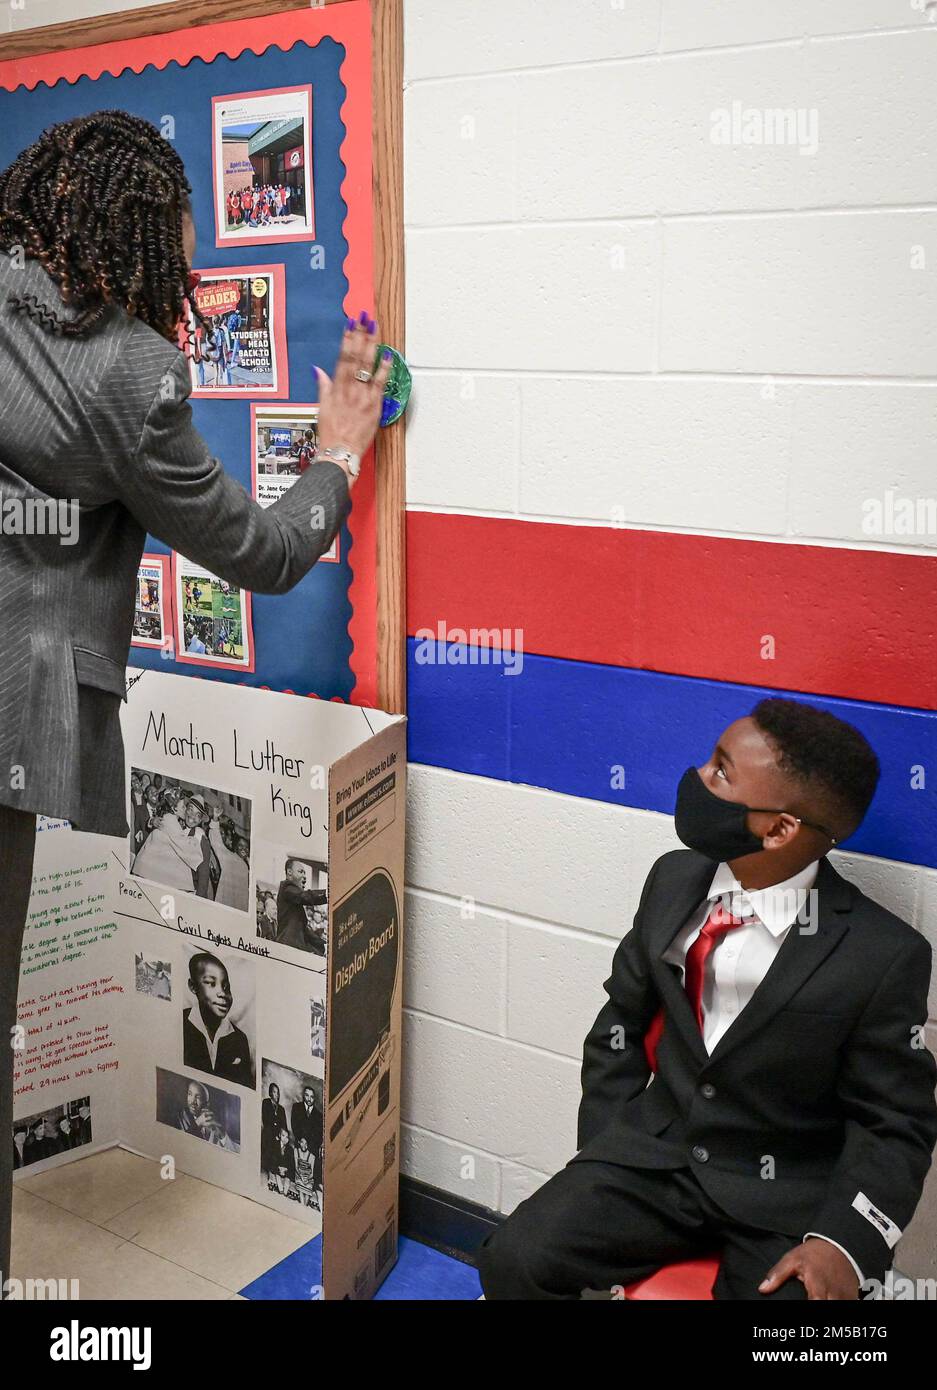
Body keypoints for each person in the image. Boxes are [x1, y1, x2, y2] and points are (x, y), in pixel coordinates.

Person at [477, 699, 937, 1301]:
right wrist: (608, 1146)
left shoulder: (881, 954)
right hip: (657, 1158)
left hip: (788, 1196)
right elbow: (619, 1021)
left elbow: (895, 1123)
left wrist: (845, 1242)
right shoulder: (674, 880)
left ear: (778, 828)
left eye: (721, 772)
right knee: (515, 1259)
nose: (697, 778)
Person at [182, 952, 253, 1088]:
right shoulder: (182, 1023)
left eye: (226, 987)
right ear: (193, 986)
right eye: (211, 983)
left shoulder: (239, 1039)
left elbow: (246, 1086)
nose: (222, 993)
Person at [276, 859, 327, 952]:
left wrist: (323, 945)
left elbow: (305, 931)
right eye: (300, 872)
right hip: (288, 947)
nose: (304, 876)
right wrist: (327, 894)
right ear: (289, 872)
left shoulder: (294, 901)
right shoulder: (287, 887)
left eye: (305, 873)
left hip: (293, 947)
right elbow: (304, 896)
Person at [176, 1079, 238, 1151]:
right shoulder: (179, 1116)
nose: (192, 1101)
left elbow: (234, 1150)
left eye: (198, 1097)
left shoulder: (212, 1120)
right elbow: (178, 1144)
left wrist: (222, 1135)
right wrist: (197, 1124)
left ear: (207, 1104)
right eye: (190, 1094)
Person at [261, 1081, 288, 1183]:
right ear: (270, 1093)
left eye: (278, 1092)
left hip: (279, 1135)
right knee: (269, 1137)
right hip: (269, 1132)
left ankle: (276, 1171)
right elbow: (266, 1120)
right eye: (275, 1092)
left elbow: (284, 1125)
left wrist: (281, 1135)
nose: (277, 1095)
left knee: (281, 1143)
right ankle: (269, 1170)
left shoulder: (281, 1109)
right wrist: (275, 1133)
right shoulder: (266, 1102)